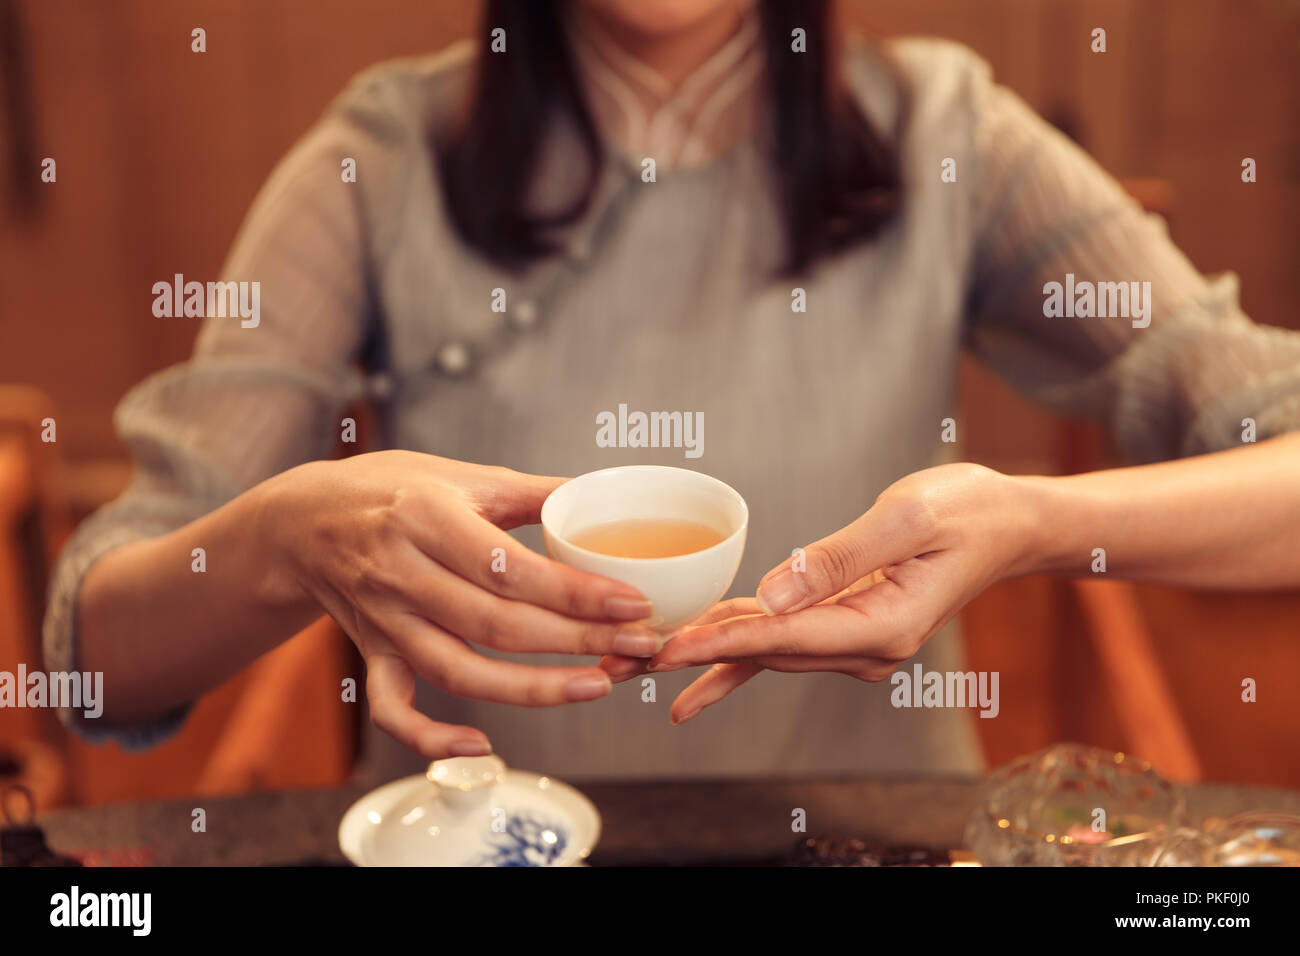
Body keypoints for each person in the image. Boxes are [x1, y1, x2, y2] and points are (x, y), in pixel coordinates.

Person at [44, 0, 1300, 783]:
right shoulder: (376, 166)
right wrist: (276, 540)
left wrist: (1030, 523)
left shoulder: (946, 133)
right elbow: (96, 663)